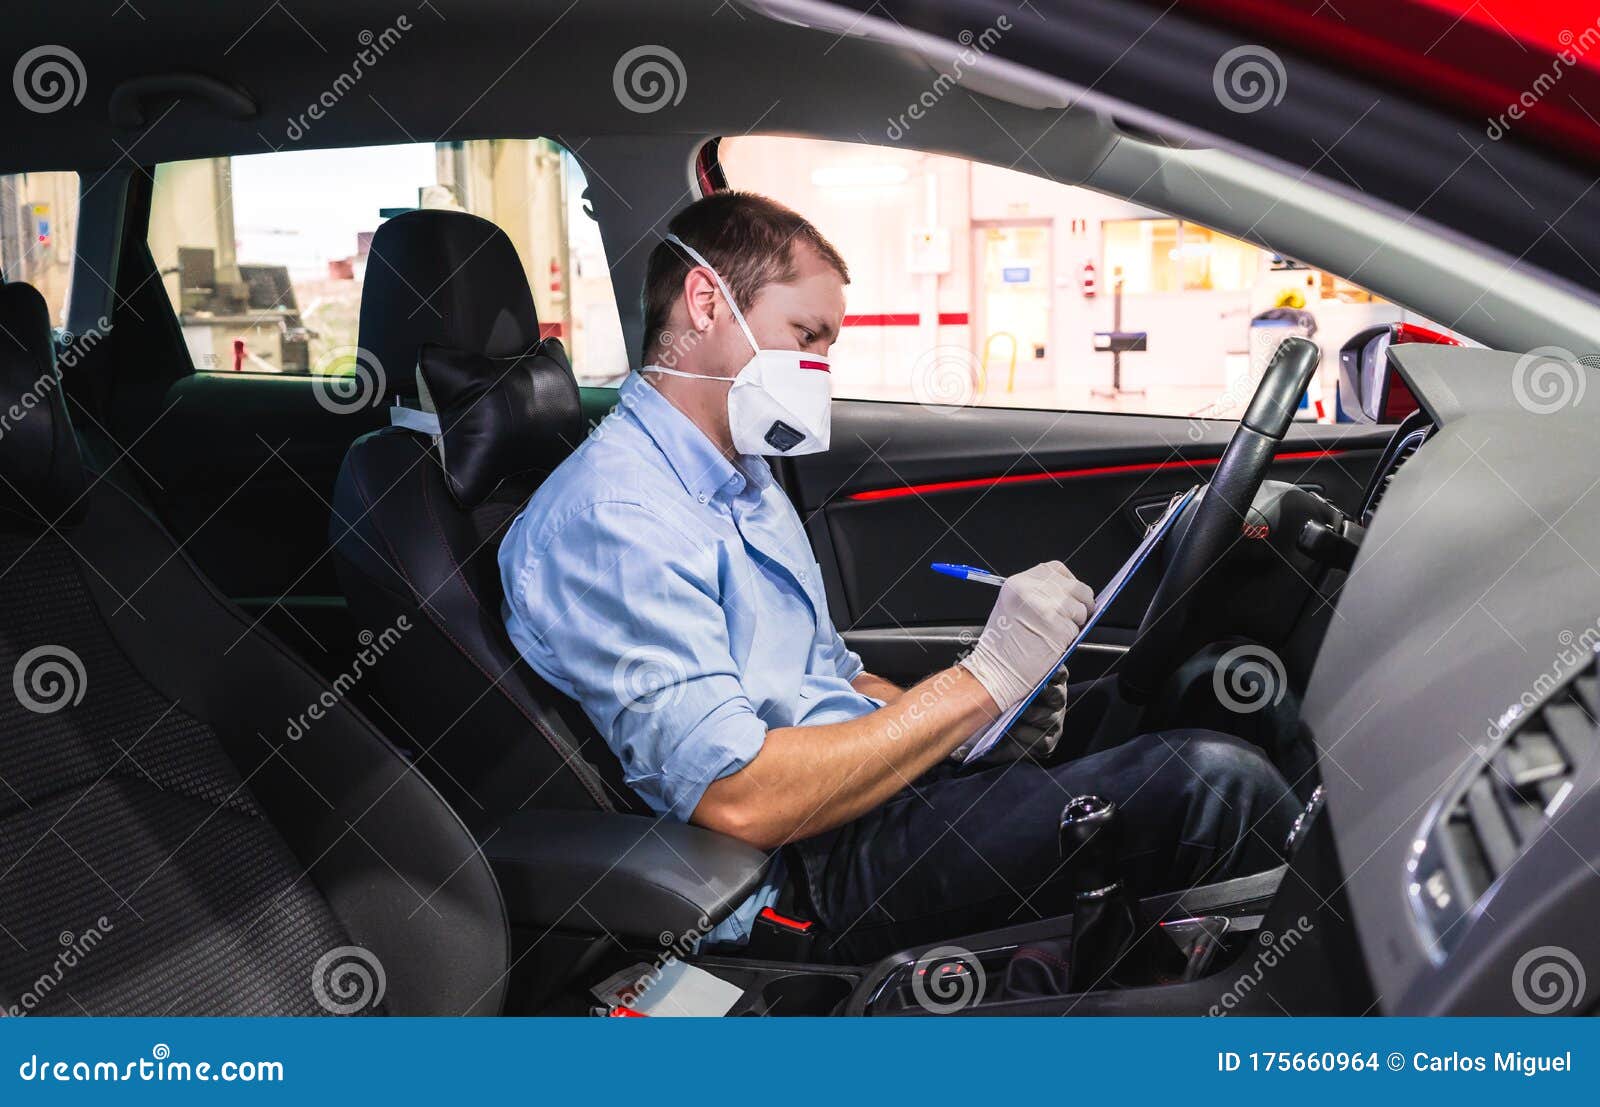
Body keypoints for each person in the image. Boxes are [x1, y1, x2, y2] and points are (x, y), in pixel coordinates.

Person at [499, 191, 1298, 960]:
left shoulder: (740, 474)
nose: (818, 368)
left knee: (1211, 686)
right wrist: (978, 683)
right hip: (810, 867)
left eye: (828, 346)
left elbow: (834, 677)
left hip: (870, 792)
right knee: (1212, 790)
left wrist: (982, 725)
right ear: (706, 304)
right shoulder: (612, 517)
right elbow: (737, 795)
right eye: (805, 335)